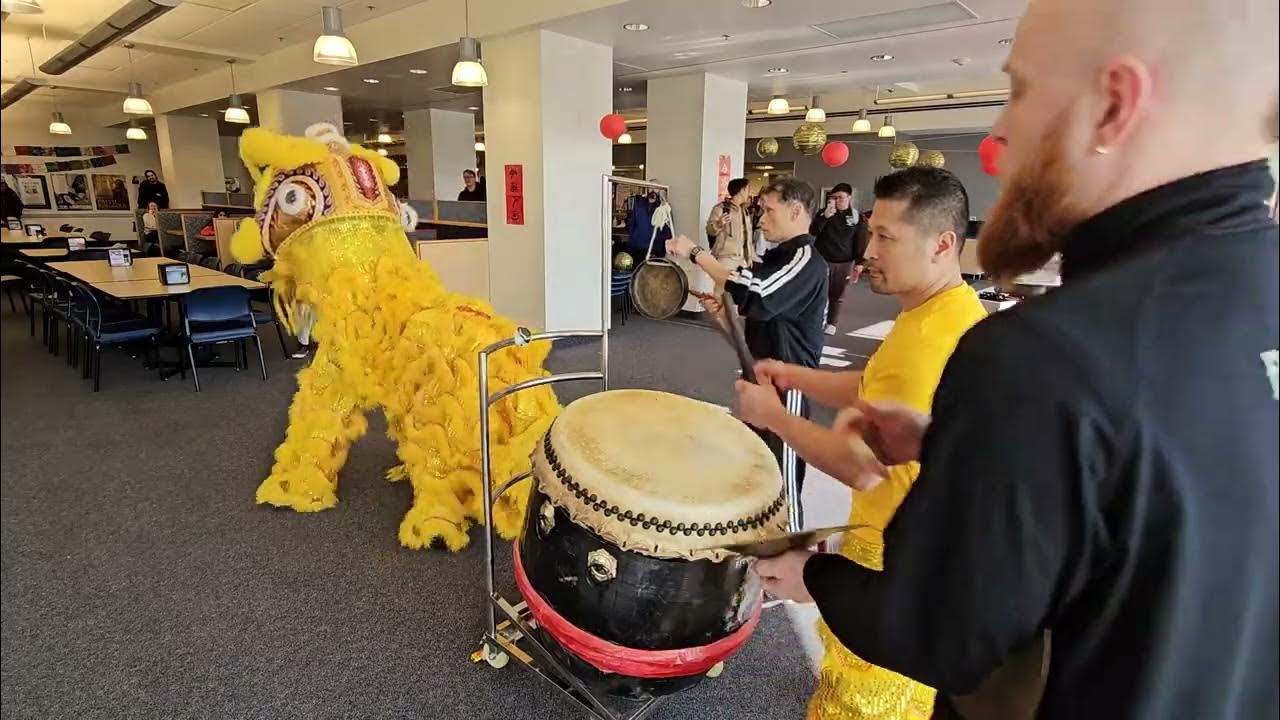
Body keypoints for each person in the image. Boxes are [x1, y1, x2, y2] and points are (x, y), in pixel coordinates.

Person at [754, 0, 1279, 718]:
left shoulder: (1044, 357)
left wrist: (815, 574)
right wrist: (955, 447)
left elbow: (938, 635)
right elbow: (1171, 485)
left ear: (1115, 107)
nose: (1001, 133)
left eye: (1022, 90)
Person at [736, 167, 986, 720]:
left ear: (943, 244)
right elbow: (873, 383)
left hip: (893, 553)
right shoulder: (945, 310)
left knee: (863, 703)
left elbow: (860, 467)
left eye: (886, 237)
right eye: (871, 232)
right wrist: (796, 377)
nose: (867, 249)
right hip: (913, 541)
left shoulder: (929, 342)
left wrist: (773, 415)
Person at [667, 177, 828, 499]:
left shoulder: (805, 260)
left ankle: (786, 542)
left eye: (769, 211)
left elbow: (753, 292)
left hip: (787, 392)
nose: (761, 219)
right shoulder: (779, 259)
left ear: (796, 211)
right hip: (761, 386)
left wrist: (695, 252)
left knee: (782, 484)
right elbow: (753, 346)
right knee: (756, 472)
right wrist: (724, 320)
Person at [810, 183, 864, 334]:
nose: (837, 201)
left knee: (837, 294)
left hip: (844, 262)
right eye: (834, 198)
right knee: (819, 292)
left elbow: (860, 240)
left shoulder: (856, 216)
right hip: (823, 259)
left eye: (840, 198)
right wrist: (825, 216)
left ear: (849, 198)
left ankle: (832, 323)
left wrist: (860, 262)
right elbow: (813, 231)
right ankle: (815, 320)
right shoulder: (824, 213)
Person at [705, 178, 756, 293]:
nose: (749, 192)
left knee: (739, 294)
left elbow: (747, 237)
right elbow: (710, 230)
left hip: (743, 260)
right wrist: (719, 223)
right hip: (726, 259)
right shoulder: (721, 209)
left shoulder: (745, 211)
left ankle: (734, 312)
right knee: (721, 292)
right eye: (747, 189)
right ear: (741, 190)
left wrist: (750, 257)